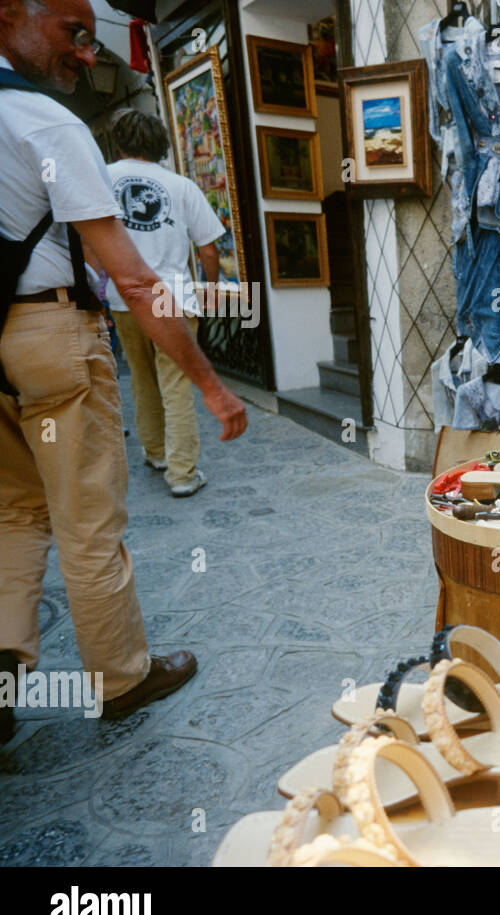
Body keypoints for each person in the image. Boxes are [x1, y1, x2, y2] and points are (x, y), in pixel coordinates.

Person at [0, 0, 247, 743]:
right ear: (12, 10)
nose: (86, 51)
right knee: (86, 519)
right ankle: (122, 675)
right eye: (73, 31)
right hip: (50, 330)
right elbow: (137, 283)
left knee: (14, 511)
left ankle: (3, 679)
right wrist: (212, 382)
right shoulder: (43, 122)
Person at [105, 108, 225, 498]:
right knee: (176, 385)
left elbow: (88, 243)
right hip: (172, 296)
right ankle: (182, 473)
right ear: (160, 144)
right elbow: (208, 249)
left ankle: (155, 452)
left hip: (124, 299)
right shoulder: (180, 185)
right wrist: (209, 287)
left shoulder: (102, 178)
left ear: (119, 142)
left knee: (141, 379)